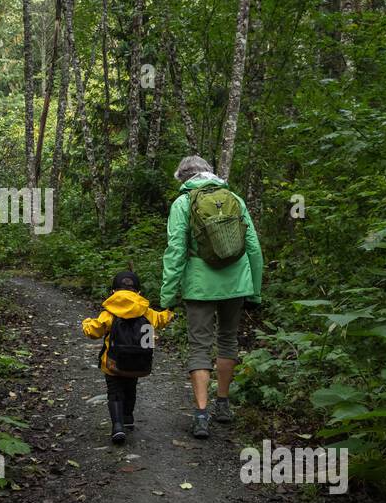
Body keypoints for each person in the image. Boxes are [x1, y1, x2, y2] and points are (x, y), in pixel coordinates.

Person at [159, 155, 263, 439]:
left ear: (183, 178)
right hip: (237, 283)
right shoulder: (234, 199)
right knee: (229, 340)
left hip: (200, 286)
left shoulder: (182, 204)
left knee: (199, 347)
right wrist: (255, 289)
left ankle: (202, 415)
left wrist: (167, 296)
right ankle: (224, 404)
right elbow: (253, 246)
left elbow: (176, 251)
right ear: (209, 173)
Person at [82, 270, 174, 443]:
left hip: (113, 363)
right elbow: (161, 319)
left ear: (113, 292)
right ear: (138, 293)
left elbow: (94, 331)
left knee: (115, 392)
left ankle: (117, 426)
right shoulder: (147, 313)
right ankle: (128, 418)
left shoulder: (110, 313)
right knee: (131, 388)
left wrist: (86, 323)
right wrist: (170, 312)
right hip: (139, 363)